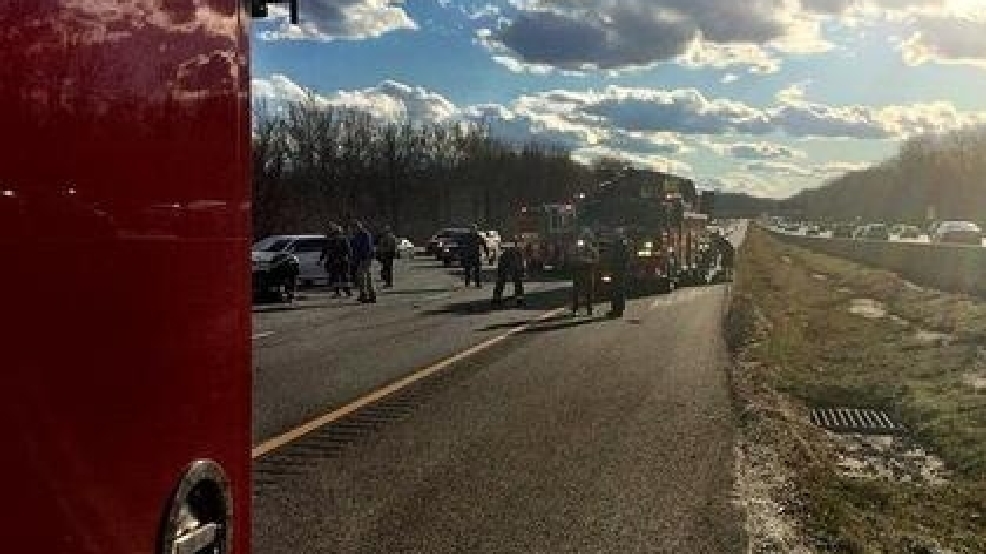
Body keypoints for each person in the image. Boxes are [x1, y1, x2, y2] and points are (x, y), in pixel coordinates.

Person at [569, 228, 599, 316]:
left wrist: (588, 261)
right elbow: (571, 256)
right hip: (578, 270)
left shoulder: (592, 248)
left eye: (587, 237)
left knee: (588, 291)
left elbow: (596, 258)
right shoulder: (577, 247)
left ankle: (589, 309)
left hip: (587, 270)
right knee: (577, 291)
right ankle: (575, 309)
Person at [319, 223, 353, 298]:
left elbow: (348, 250)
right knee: (335, 277)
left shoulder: (343, 239)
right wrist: (321, 259)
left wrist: (348, 258)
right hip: (334, 261)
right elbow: (324, 250)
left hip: (342, 261)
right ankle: (338, 292)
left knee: (344, 276)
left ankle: (347, 291)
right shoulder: (330, 240)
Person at [492, 237, 525, 307]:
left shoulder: (506, 253)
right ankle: (519, 298)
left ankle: (497, 297)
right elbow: (520, 263)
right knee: (517, 281)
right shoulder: (516, 253)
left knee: (502, 280)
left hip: (509, 262)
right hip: (512, 263)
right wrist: (521, 270)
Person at [607, 229, 631, 318]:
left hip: (619, 270)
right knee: (616, 290)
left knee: (618, 290)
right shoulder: (620, 244)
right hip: (617, 269)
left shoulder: (621, 244)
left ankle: (618, 310)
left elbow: (624, 257)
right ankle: (616, 309)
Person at [351, 220, 377, 303]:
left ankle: (369, 294)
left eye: (355, 227)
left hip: (365, 258)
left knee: (365, 277)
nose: (353, 229)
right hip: (360, 259)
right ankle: (365, 294)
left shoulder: (365, 235)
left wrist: (364, 257)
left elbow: (367, 247)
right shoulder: (357, 236)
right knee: (362, 277)